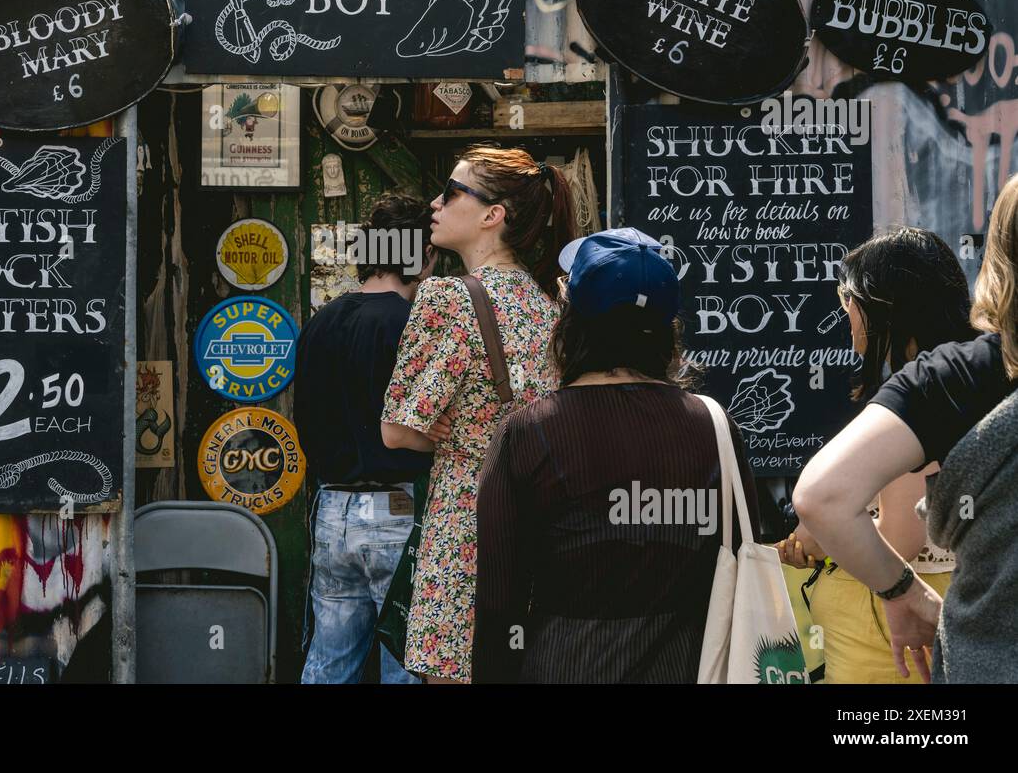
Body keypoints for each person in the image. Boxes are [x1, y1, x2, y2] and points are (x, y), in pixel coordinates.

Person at [472, 228, 760, 683]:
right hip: (689, 669)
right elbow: (742, 562)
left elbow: (497, 603)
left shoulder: (527, 432)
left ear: (572, 324)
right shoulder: (716, 428)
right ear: (667, 329)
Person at [794, 172, 1018, 682]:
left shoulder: (948, 384)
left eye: (846, 302)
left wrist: (901, 591)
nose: (845, 317)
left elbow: (842, 505)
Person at [380, 146, 575, 683]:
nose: (435, 204)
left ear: (494, 215)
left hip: (465, 523)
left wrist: (442, 434)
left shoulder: (447, 298)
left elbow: (396, 431)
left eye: (451, 191)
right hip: (542, 524)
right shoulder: (553, 305)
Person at [779, 228, 972, 684]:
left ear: (885, 308)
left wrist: (819, 540)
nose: (847, 318)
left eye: (851, 304)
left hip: (888, 628)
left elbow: (901, 533)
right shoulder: (966, 380)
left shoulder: (921, 397)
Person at [295, 194, 437, 684]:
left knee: (330, 661)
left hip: (332, 511)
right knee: (407, 663)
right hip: (396, 511)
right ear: (423, 256)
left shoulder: (320, 323)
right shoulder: (412, 324)